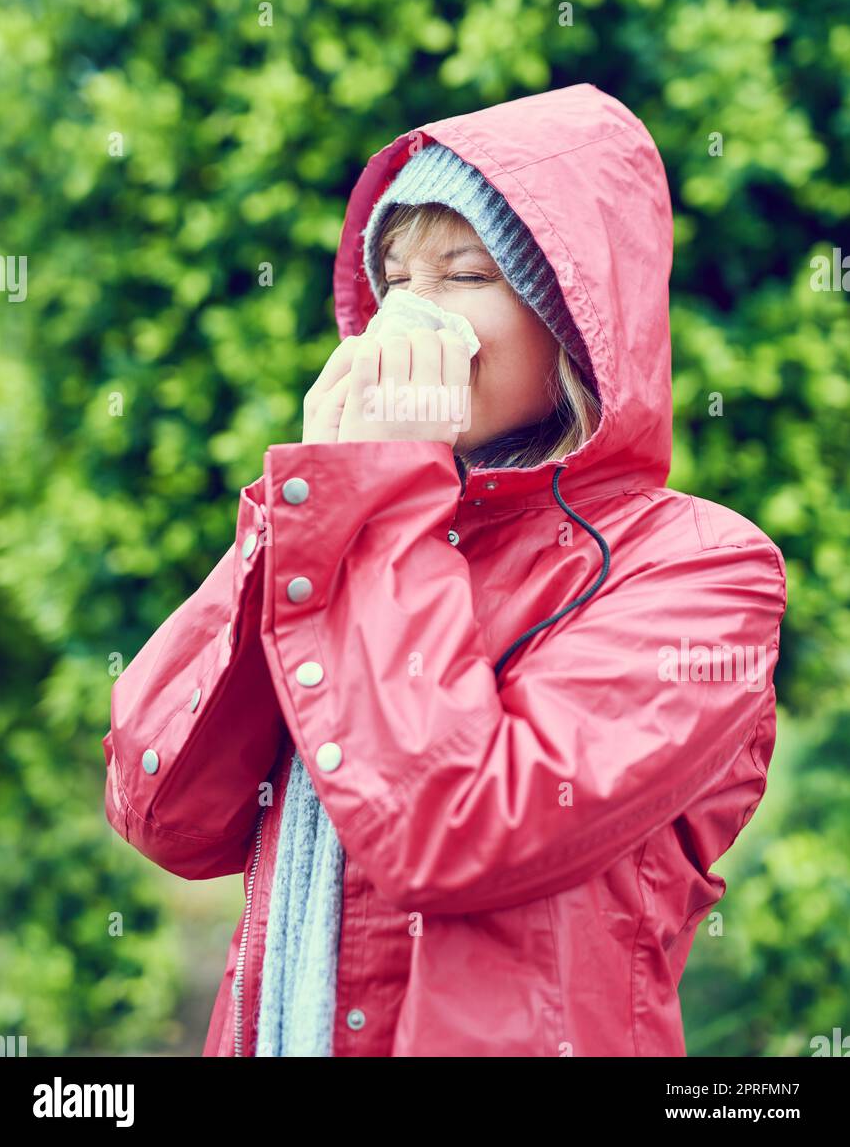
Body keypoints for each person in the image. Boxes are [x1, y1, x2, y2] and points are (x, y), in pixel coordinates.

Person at [102, 82, 787, 1057]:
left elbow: (458, 827)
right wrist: (304, 520)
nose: (412, 321)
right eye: (395, 282)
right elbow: (166, 809)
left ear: (575, 323)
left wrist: (379, 513)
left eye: (466, 276)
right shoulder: (360, 517)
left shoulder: (702, 574)